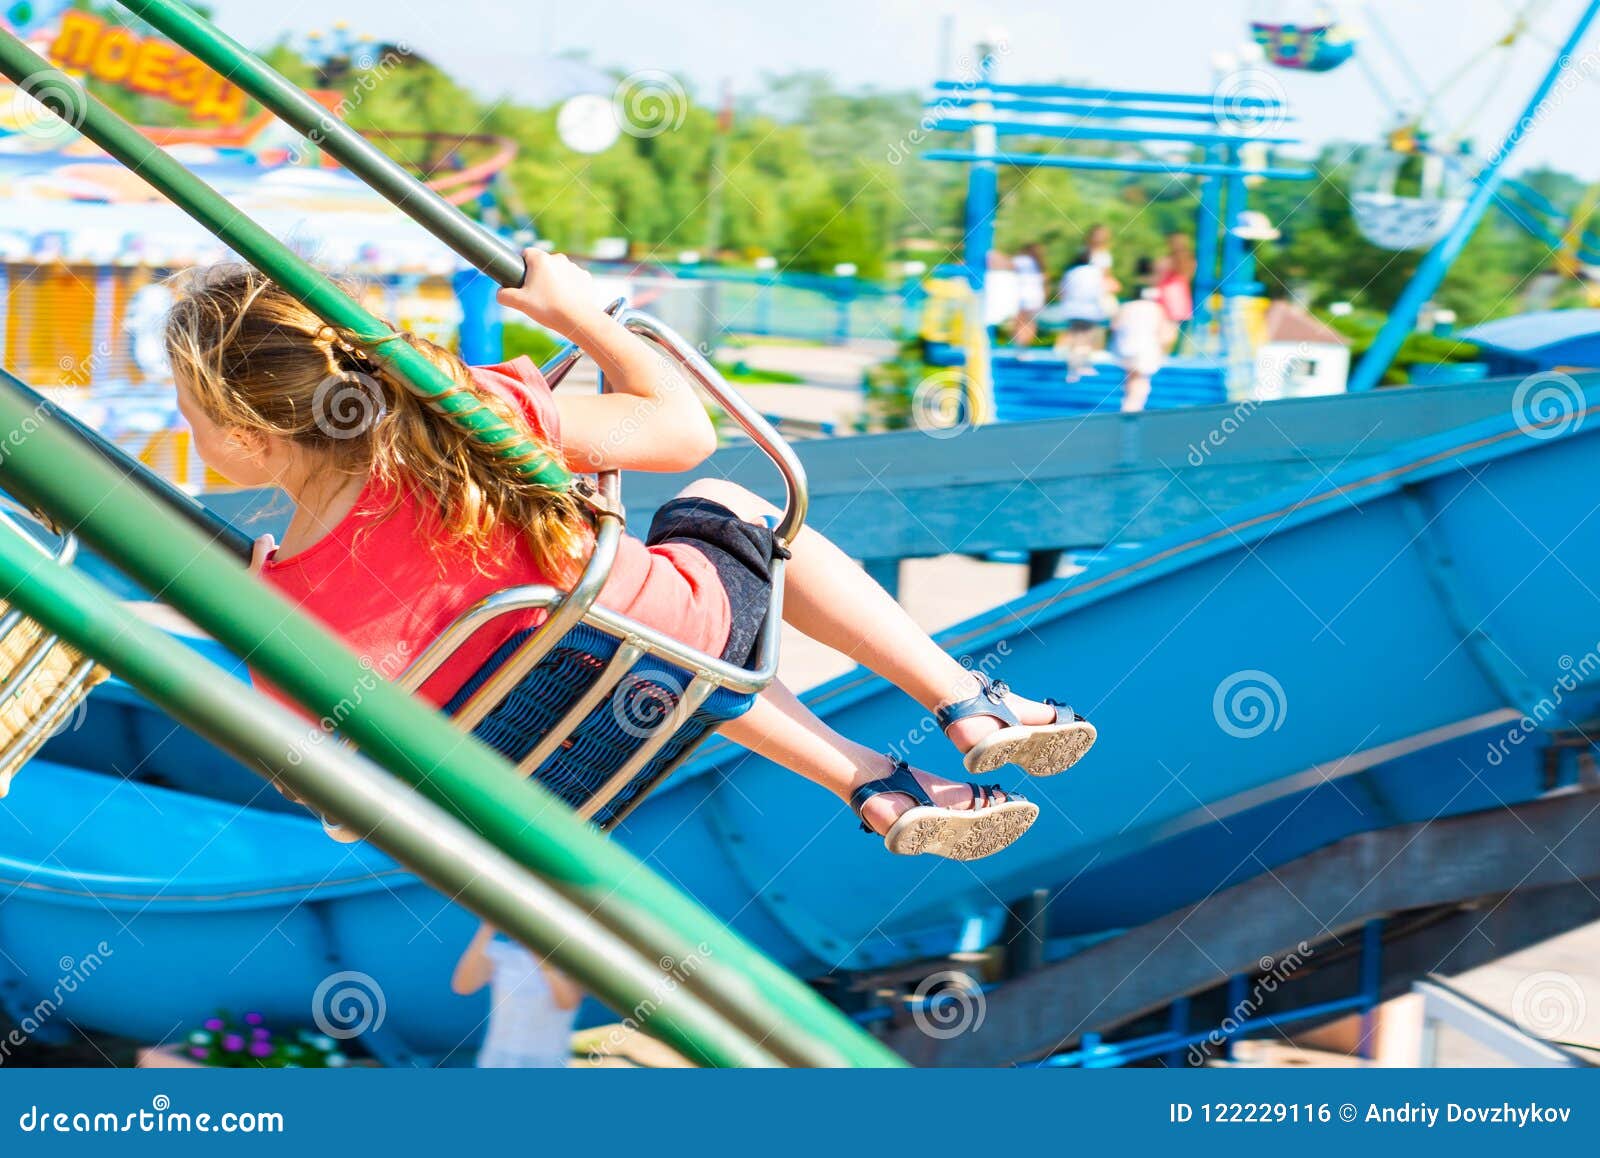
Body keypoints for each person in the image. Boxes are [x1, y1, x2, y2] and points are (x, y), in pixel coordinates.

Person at [162, 256, 1098, 863]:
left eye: (187, 404)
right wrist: (588, 321)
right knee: (719, 520)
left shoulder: (271, 603)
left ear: (245, 433)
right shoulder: (468, 417)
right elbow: (679, 431)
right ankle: (965, 700)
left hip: (523, 783)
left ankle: (873, 781)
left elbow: (320, 784)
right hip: (653, 651)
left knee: (620, 644)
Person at [452, 924, 582, 1068]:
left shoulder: (571, 957)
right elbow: (463, 987)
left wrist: (536, 950)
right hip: (497, 1060)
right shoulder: (500, 952)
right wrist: (488, 927)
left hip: (547, 1061)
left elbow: (567, 1003)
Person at [1111, 258, 1177, 413]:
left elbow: (1115, 326)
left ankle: (1129, 405)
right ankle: (1132, 408)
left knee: (1131, 378)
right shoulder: (1156, 309)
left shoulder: (1126, 307)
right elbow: (1165, 333)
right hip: (1145, 349)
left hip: (1125, 348)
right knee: (1140, 380)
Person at [1052, 250, 1116, 381]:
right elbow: (1101, 291)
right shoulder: (1095, 273)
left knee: (1075, 338)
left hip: (1072, 309)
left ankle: (1073, 369)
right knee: (1086, 339)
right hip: (1089, 309)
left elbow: (1062, 291)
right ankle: (1081, 365)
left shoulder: (1071, 272)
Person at [1010, 244, 1048, 347]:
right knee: (1031, 322)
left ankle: (1019, 345)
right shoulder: (1039, 264)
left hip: (1023, 295)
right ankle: (1025, 344)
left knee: (1019, 322)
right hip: (1036, 298)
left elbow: (1010, 266)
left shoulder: (1022, 260)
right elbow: (1045, 282)